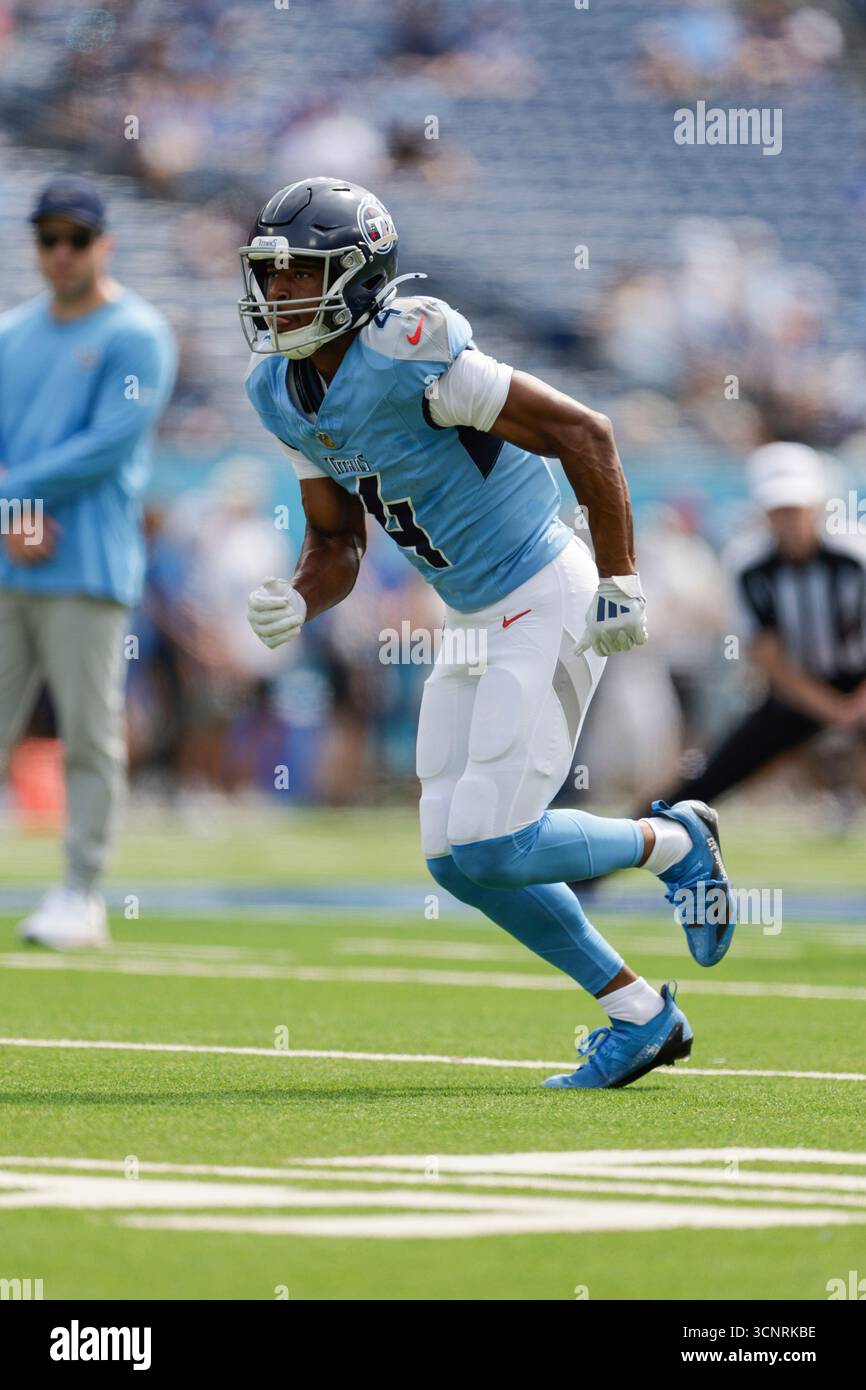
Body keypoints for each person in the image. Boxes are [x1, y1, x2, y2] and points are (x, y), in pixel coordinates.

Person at [240, 177, 734, 1090]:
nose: (278, 296)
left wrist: (622, 577)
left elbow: (586, 433)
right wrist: (301, 597)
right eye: (270, 277)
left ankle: (673, 843)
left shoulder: (410, 352)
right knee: (454, 863)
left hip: (542, 589)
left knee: (492, 843)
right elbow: (337, 542)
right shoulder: (281, 391)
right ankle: (638, 1014)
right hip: (467, 615)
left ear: (355, 277)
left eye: (299, 276)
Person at [0, 175, 177, 948]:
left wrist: (12, 497)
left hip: (90, 564)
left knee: (89, 733)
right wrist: (12, 512)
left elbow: (109, 445)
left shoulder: (138, 333)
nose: (62, 252)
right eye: (49, 238)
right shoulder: (12, 335)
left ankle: (82, 893)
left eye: (76, 237)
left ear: (104, 242)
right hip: (11, 559)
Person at [656, 442, 866, 809]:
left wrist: (857, 705)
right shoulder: (750, 566)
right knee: (711, 778)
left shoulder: (855, 556)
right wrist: (833, 710)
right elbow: (767, 654)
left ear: (817, 504)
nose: (789, 520)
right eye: (779, 509)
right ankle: (621, 847)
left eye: (796, 508)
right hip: (800, 688)